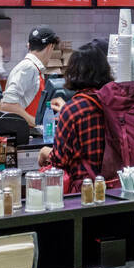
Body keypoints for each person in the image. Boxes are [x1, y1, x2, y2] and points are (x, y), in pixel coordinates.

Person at [38, 43, 113, 188]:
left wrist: (44, 152)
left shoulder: (72, 110)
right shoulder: (113, 103)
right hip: (115, 186)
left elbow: (59, 160)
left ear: (74, 72)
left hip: (84, 191)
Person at [0, 26, 62, 125]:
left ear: (29, 45)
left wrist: (47, 105)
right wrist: (36, 124)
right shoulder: (28, 68)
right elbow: (7, 105)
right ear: (50, 47)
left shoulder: (35, 68)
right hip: (25, 135)